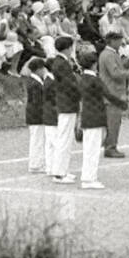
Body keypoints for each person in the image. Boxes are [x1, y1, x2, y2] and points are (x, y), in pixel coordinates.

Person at [77, 46, 125, 190]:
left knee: (88, 149)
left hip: (86, 115)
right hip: (96, 115)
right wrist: (122, 103)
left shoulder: (81, 78)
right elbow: (108, 95)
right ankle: (89, 178)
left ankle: (87, 177)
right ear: (94, 64)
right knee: (92, 150)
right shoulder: (95, 80)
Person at [98, 31, 129, 159]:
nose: (121, 43)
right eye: (119, 40)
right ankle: (110, 147)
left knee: (113, 121)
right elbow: (115, 74)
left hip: (113, 92)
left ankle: (109, 145)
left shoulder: (111, 53)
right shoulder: (109, 55)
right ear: (113, 41)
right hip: (112, 93)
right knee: (113, 122)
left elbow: (118, 68)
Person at [48, 36, 81, 184]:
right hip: (66, 103)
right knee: (64, 139)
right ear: (68, 48)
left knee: (65, 138)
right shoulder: (62, 64)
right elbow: (70, 84)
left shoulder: (62, 62)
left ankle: (63, 170)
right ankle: (59, 173)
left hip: (66, 103)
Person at [24, 57, 50, 174]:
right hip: (36, 115)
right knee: (37, 140)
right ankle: (35, 164)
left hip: (34, 114)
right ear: (39, 69)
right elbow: (37, 101)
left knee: (38, 139)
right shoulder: (35, 83)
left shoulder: (34, 81)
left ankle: (37, 163)